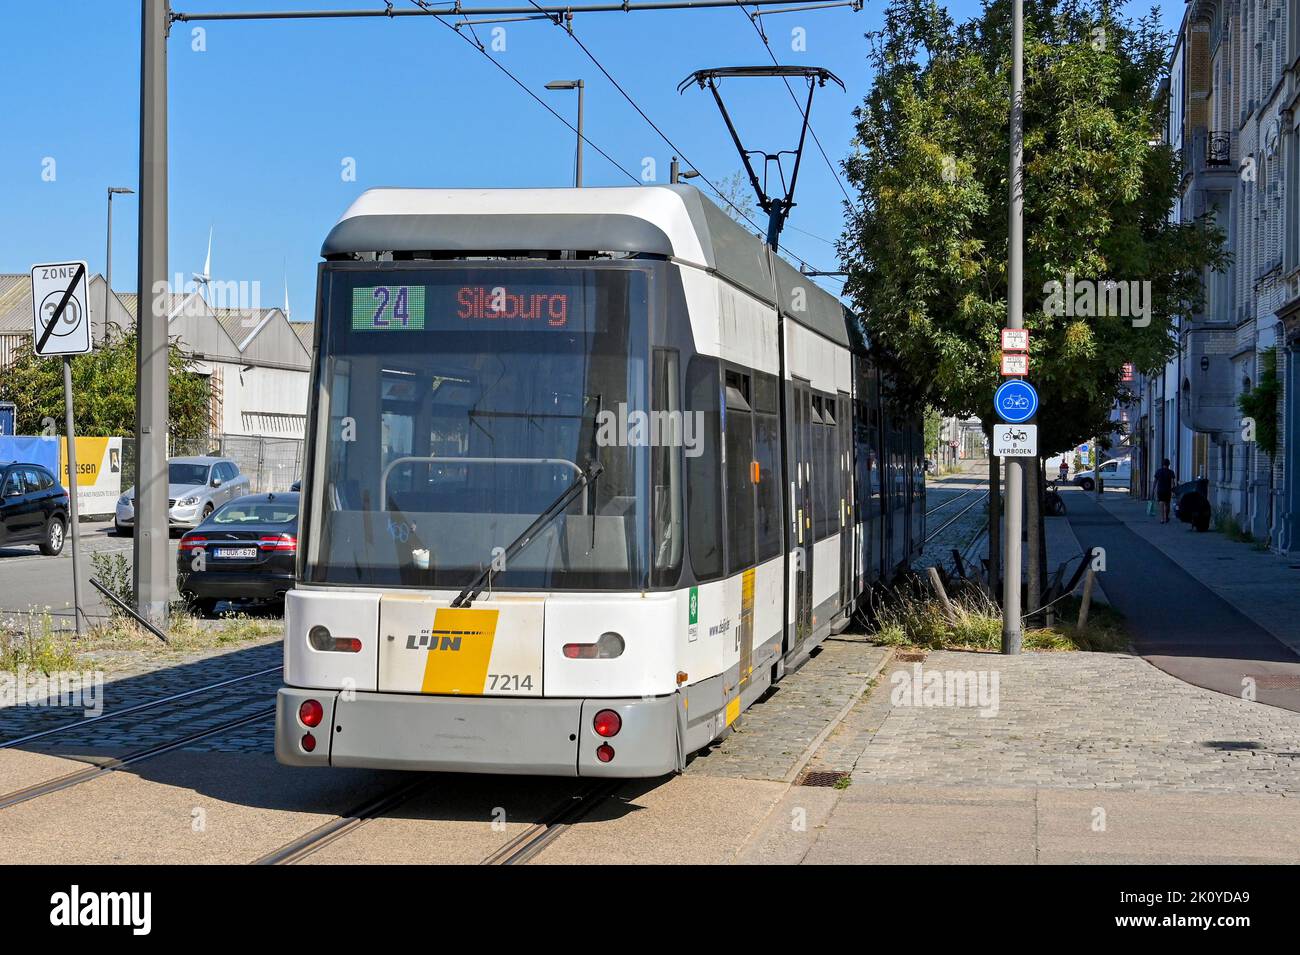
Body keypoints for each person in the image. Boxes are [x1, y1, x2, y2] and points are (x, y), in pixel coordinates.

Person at [1152, 458, 1176, 524]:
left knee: (1161, 503)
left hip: (1160, 490)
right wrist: (1174, 490)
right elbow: (1172, 482)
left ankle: (1162, 519)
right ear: (1169, 464)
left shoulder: (1158, 471)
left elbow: (1155, 481)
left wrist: (1153, 489)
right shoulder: (1171, 472)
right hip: (1167, 490)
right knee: (1167, 504)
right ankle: (1166, 517)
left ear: (1162, 464)